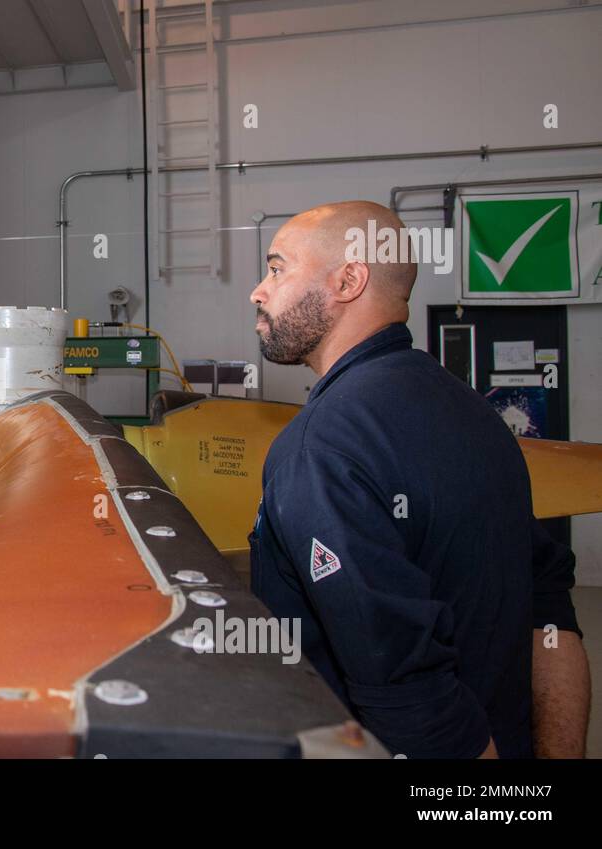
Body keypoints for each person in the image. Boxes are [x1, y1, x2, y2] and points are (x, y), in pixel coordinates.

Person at [247, 200, 587, 758]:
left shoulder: (322, 446)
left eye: (277, 267)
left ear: (350, 280)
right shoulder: (473, 413)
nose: (259, 291)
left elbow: (409, 695)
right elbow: (548, 615)